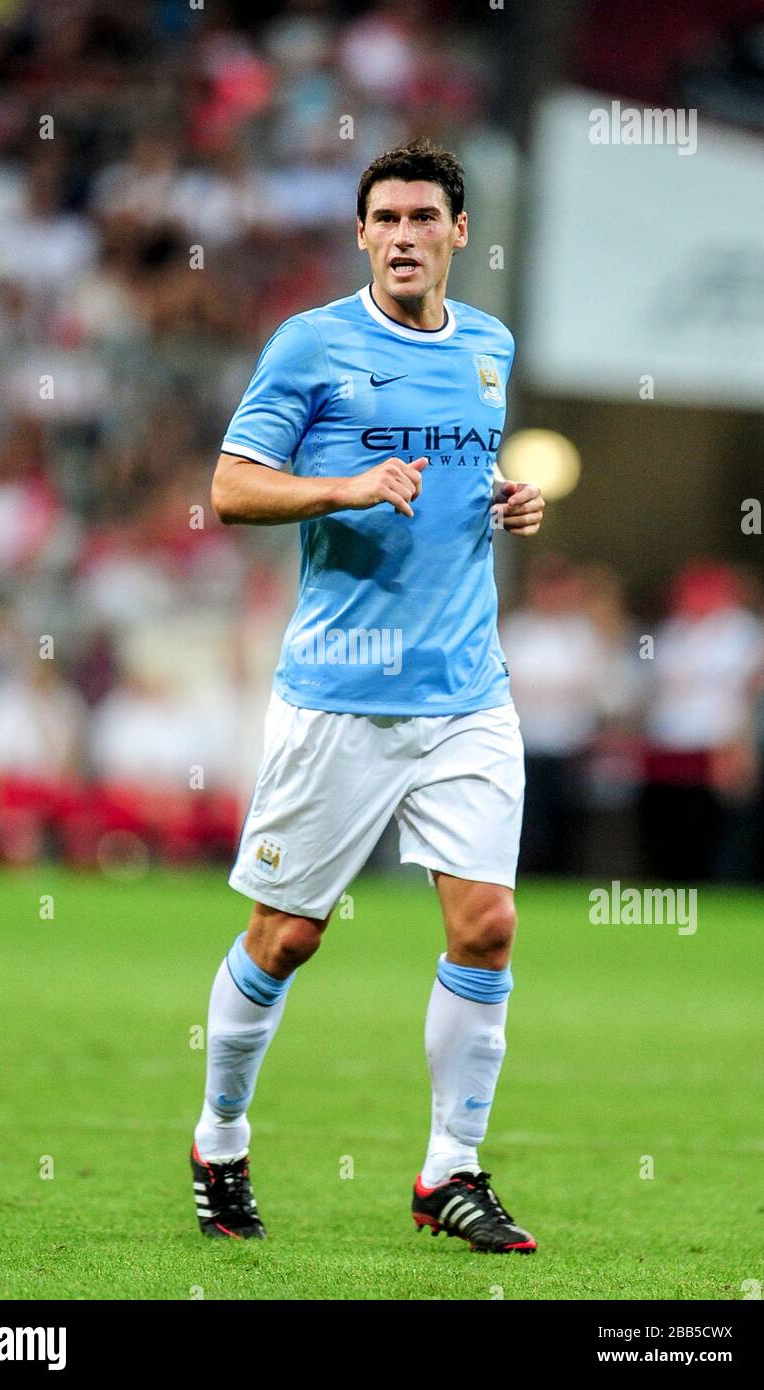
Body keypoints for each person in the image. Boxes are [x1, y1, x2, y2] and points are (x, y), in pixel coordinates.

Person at [190, 138, 545, 1253]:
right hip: (340, 696)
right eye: (384, 218)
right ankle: (221, 1134)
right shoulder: (313, 344)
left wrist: (506, 502)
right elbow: (230, 488)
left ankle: (450, 1170)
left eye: (422, 218)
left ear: (458, 233)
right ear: (361, 234)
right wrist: (346, 484)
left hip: (467, 691)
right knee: (287, 935)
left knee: (486, 926)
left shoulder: (491, 346)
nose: (403, 235)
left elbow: (457, 485)